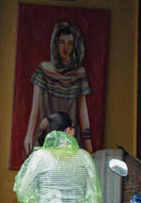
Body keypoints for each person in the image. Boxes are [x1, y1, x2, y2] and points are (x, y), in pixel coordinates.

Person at [21, 21, 94, 159]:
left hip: (69, 141)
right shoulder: (44, 70)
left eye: (70, 43)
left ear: (75, 46)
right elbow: (35, 107)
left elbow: (83, 111)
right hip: (46, 139)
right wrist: (29, 134)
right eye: (61, 42)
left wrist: (88, 142)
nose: (65, 48)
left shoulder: (79, 74)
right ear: (55, 43)